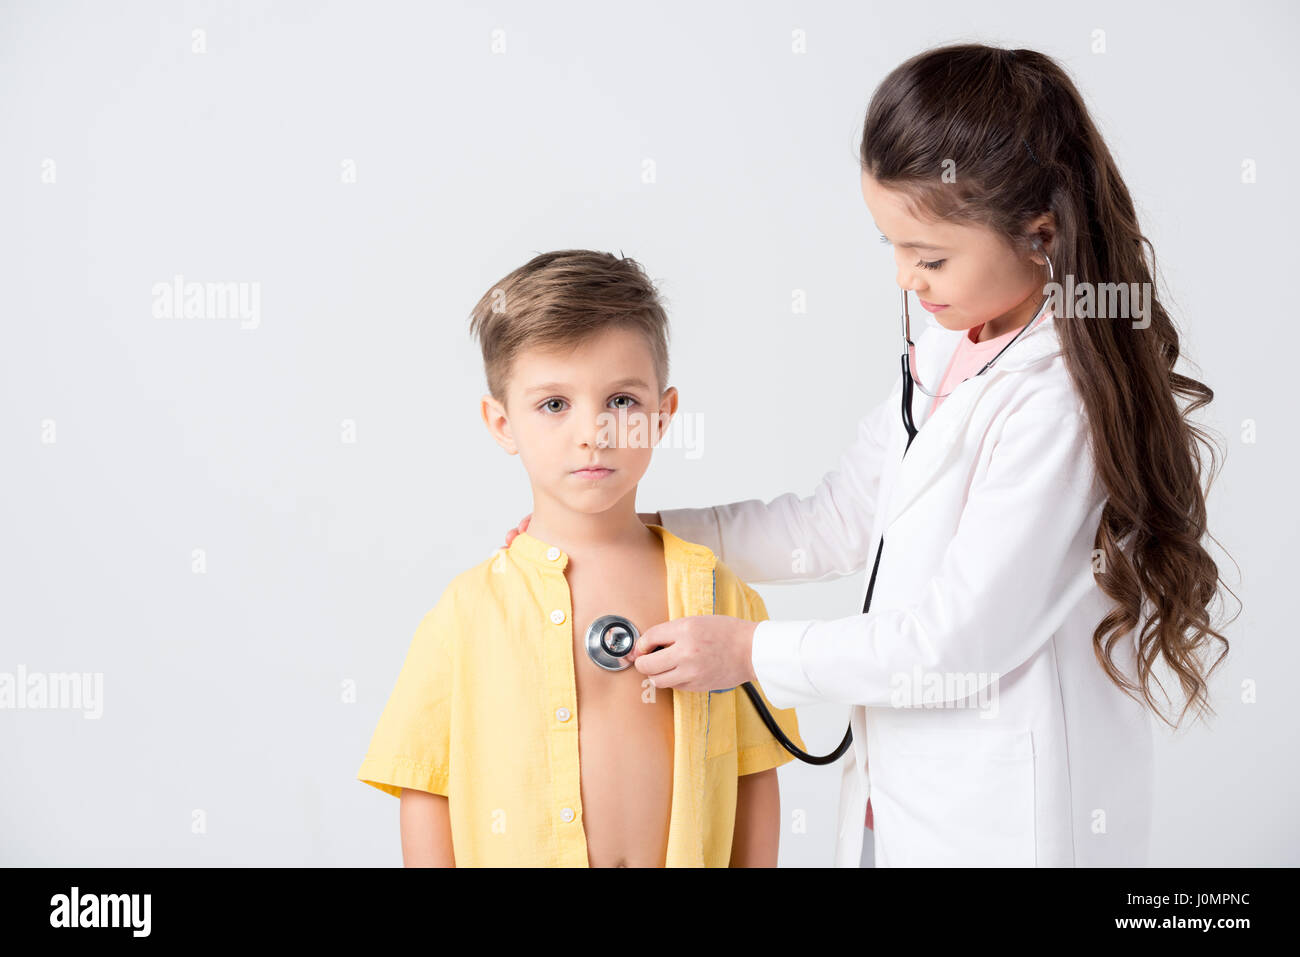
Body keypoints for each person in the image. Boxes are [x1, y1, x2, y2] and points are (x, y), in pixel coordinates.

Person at [509, 44, 1235, 867]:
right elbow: (839, 519)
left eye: (929, 257)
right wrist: (640, 533)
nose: (904, 279)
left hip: (1006, 816)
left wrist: (748, 653)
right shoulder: (949, 340)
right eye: (889, 245)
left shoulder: (1057, 403)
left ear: (1041, 238)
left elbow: (958, 643)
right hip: (904, 794)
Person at [358, 249, 804, 867]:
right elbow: (427, 785)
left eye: (621, 400)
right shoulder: (467, 613)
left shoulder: (719, 597)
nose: (592, 431)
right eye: (554, 405)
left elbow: (755, 775)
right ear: (501, 422)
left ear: (662, 415)